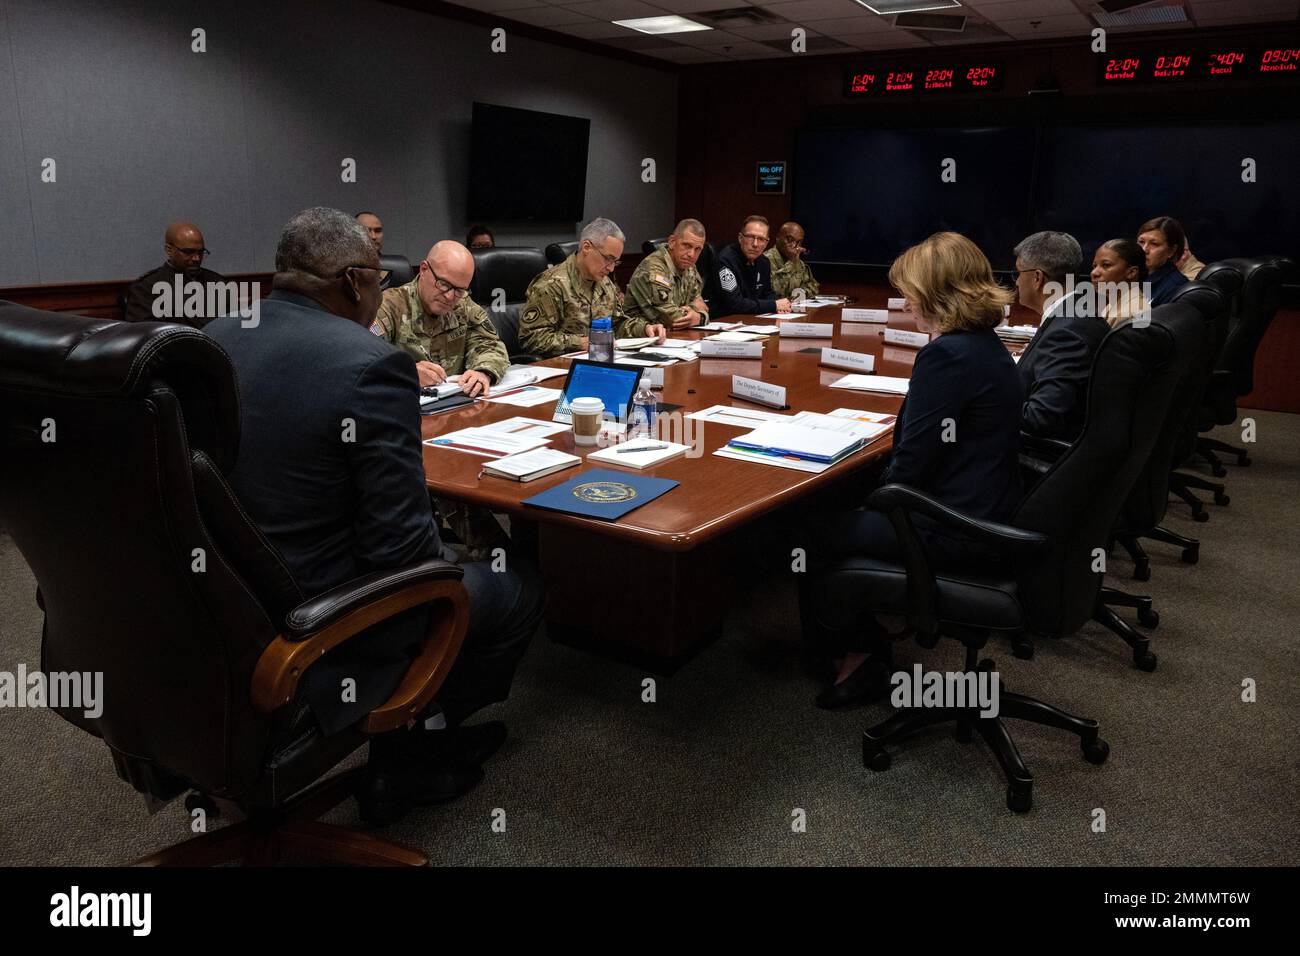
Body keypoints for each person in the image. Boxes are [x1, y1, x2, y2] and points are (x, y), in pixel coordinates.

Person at [204, 207, 542, 824]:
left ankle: (420, 729)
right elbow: (405, 555)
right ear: (359, 283)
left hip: (213, 604)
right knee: (512, 586)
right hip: (317, 615)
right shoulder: (369, 363)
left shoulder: (214, 337)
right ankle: (409, 749)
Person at [800, 232, 1021, 709]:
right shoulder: (982, 345)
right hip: (982, 506)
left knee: (804, 524)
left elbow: (910, 468)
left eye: (909, 291)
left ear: (935, 293)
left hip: (948, 524)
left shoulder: (947, 355)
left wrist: (865, 499)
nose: (904, 303)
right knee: (836, 502)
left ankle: (857, 654)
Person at [373, 239, 512, 561]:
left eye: (460, 290)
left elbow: (493, 345)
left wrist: (483, 371)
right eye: (444, 285)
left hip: (456, 418)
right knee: (449, 477)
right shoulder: (388, 306)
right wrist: (406, 368)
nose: (450, 297)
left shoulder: (463, 305)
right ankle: (496, 556)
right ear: (424, 270)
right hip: (405, 426)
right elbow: (361, 356)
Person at [518, 217, 667, 357]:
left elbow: (617, 324)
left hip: (598, 360)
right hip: (559, 367)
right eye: (608, 259)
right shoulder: (551, 285)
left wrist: (645, 329)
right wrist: (580, 343)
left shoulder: (605, 283)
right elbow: (530, 339)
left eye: (616, 261)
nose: (611, 268)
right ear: (587, 247)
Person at [1013, 230, 1107, 442]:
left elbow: (1039, 418)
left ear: (1037, 278)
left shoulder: (1067, 332)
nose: (1017, 282)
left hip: (1041, 454)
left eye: (1018, 273)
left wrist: (984, 406)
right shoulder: (1076, 312)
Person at [122, 221, 226, 326]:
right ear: (169, 250)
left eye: (200, 252)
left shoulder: (217, 282)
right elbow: (146, 334)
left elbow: (231, 325)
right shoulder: (147, 287)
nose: (196, 258)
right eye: (188, 252)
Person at [624, 219, 709, 331]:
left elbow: (702, 305)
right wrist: (700, 316)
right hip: (641, 339)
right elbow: (671, 319)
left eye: (697, 249)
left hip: (673, 338)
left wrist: (699, 314)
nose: (691, 254)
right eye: (687, 245)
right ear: (672, 242)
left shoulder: (689, 267)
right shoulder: (653, 268)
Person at [711, 215, 791, 319]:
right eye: (750, 237)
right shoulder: (725, 261)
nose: (755, 244)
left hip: (752, 320)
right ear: (740, 238)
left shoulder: (764, 262)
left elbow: (767, 294)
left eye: (761, 239)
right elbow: (735, 304)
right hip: (723, 321)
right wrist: (773, 305)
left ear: (766, 243)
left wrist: (781, 304)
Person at [1091, 238, 1150, 328]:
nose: (1094, 273)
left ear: (1131, 272)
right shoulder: (1113, 304)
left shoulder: (1131, 312)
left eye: (1106, 265)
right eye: (1095, 266)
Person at [1137, 216, 1191, 305]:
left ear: (1171, 251)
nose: (1144, 249)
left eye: (1154, 244)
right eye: (1141, 242)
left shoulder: (1176, 288)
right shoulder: (1131, 276)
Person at [765, 221, 820, 300]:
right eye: (789, 239)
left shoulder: (799, 263)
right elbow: (776, 293)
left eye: (798, 242)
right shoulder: (765, 260)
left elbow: (814, 287)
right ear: (777, 238)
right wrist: (791, 262)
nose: (794, 245)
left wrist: (801, 293)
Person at [355, 211, 396, 288]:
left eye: (378, 231)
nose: (373, 236)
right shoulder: (341, 269)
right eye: (366, 230)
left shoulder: (395, 268)